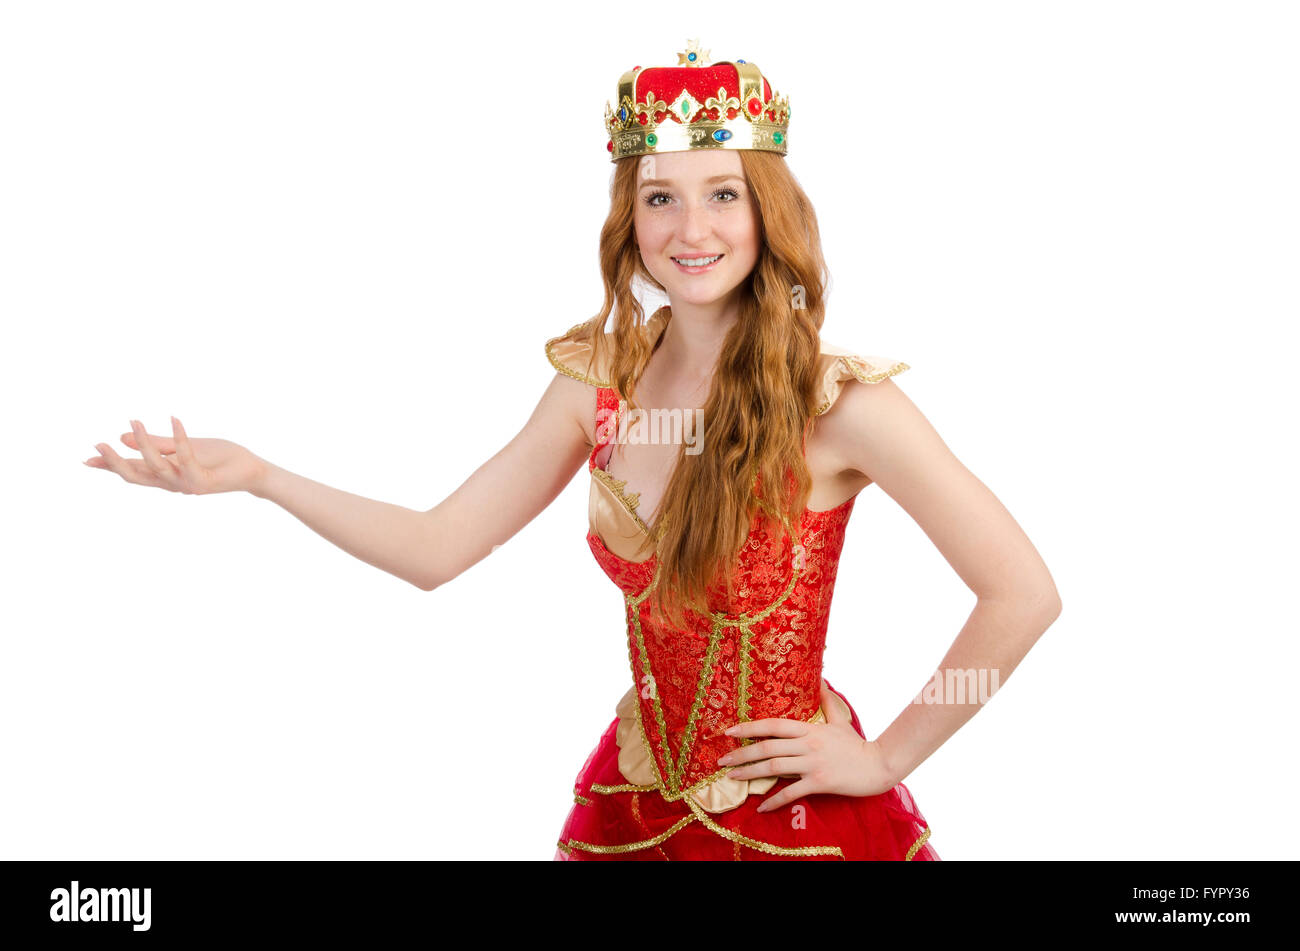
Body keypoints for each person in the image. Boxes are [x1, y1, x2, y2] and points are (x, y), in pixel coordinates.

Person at [83, 40, 1061, 861]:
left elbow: (1022, 594)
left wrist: (886, 758)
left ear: (767, 212)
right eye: (659, 199)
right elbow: (438, 545)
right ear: (627, 222)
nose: (691, 229)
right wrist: (259, 477)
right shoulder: (598, 388)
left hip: (797, 824)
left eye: (723, 194)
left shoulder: (837, 407)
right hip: (632, 805)